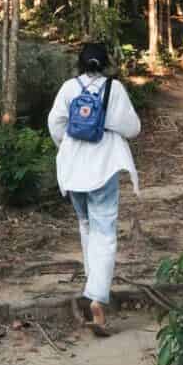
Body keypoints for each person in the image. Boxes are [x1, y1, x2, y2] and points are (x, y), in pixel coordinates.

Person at [47, 41, 141, 335]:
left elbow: (55, 124)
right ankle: (98, 297)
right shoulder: (114, 89)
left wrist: (70, 143)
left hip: (74, 167)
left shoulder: (68, 87)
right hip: (103, 166)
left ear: (80, 63)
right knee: (104, 231)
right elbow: (132, 128)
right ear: (106, 62)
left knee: (86, 225)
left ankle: (92, 284)